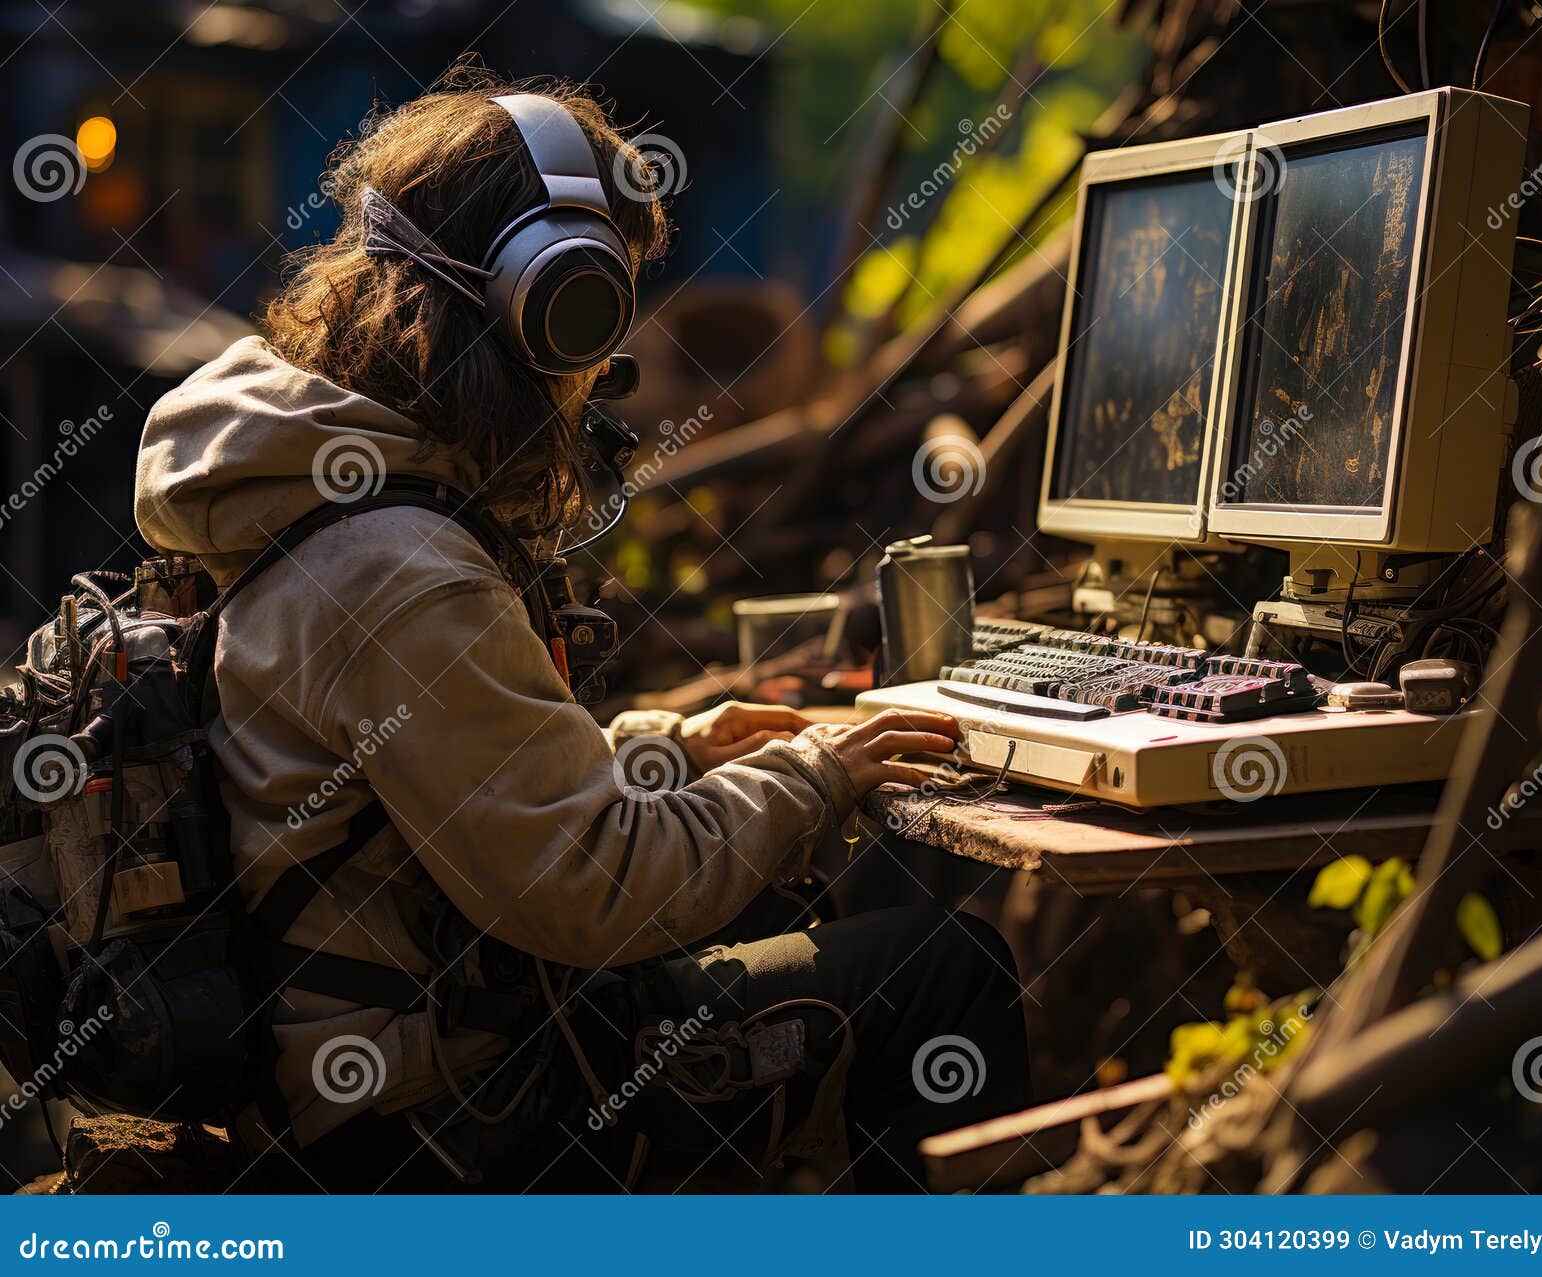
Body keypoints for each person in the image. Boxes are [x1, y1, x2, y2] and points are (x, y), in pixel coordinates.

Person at [133, 64, 1028, 1193]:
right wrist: (809, 772)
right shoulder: (398, 568)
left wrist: (665, 749)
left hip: (355, 1061)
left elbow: (427, 798)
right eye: (599, 311)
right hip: (444, 1120)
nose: (603, 364)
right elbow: (586, 886)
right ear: (544, 305)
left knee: (794, 900)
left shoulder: (316, 494)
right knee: (944, 970)